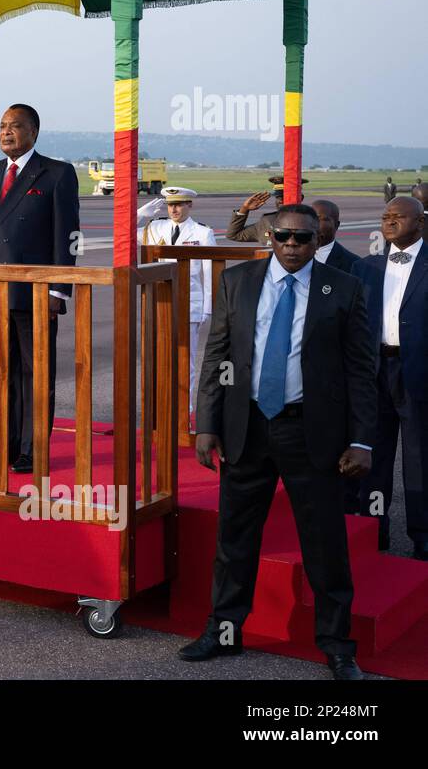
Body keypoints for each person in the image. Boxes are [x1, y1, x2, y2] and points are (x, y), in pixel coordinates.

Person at [183, 205, 376, 680]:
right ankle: (224, 631)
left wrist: (362, 440)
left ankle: (337, 646)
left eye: (303, 238)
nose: (292, 245)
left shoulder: (343, 288)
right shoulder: (239, 281)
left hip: (312, 432)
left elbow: (360, 371)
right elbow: (218, 354)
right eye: (284, 236)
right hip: (245, 429)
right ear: (270, 235)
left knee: (325, 545)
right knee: (234, 539)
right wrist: (206, 422)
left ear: (317, 240)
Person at [0, 104, 80, 473]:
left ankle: (33, 448)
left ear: (34, 131)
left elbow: (68, 236)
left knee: (35, 373)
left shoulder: (57, 173)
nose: (6, 132)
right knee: (1, 373)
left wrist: (58, 291)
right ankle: (4, 444)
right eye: (1, 126)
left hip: (35, 293)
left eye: (15, 126)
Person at [355, 196, 428, 559]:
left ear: (420, 222)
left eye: (398, 217)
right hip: (375, 371)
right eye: (385, 216)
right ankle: (375, 528)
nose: (389, 221)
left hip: (416, 371)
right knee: (374, 457)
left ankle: (422, 535)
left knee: (419, 458)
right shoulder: (367, 267)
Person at [137, 186, 215, 413]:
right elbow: (122, 230)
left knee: (184, 359)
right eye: (170, 205)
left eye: (179, 204)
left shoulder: (202, 233)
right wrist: (143, 213)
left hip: (189, 303)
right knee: (159, 356)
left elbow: (210, 272)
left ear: (190, 205)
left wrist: (208, 308)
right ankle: (161, 404)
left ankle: (183, 408)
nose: (174, 209)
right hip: (158, 302)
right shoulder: (154, 227)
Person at [227, 175, 307, 244]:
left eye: (285, 197)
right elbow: (234, 235)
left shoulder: (309, 221)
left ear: (300, 198)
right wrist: (244, 209)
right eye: (278, 197)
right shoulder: (267, 222)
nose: (280, 200)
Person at [312, 199, 361, 273]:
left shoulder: (354, 264)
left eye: (322, 219)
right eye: (311, 218)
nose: (314, 224)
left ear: (336, 225)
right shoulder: (293, 256)